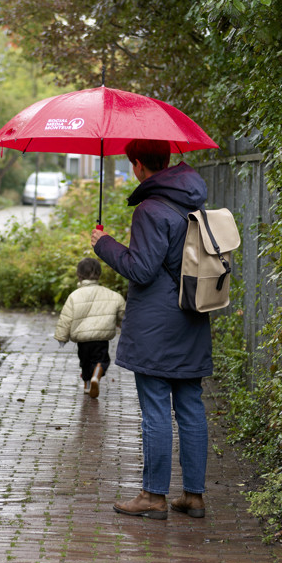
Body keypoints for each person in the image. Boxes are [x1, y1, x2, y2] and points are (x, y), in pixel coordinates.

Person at [91, 138, 211, 521]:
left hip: (157, 327)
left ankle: (153, 496)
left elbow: (141, 269)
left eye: (132, 164)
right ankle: (193, 496)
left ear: (139, 164)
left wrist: (104, 244)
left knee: (156, 408)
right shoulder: (193, 203)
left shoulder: (150, 209)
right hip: (192, 316)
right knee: (190, 406)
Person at [54, 257, 125, 399]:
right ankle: (96, 377)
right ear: (99, 274)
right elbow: (123, 314)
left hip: (82, 340)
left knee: (85, 362)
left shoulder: (74, 296)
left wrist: (62, 337)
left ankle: (87, 385)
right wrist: (122, 325)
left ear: (79, 275)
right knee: (101, 360)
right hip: (101, 338)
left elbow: (66, 318)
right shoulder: (113, 295)